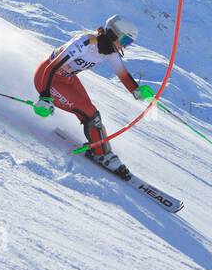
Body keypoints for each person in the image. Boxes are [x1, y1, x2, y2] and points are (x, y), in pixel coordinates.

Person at [32, 14, 154, 179]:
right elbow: (53, 66)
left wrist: (137, 91)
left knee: (92, 114)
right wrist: (45, 96)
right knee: (91, 115)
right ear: (114, 33)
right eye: (125, 41)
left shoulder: (110, 52)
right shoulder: (86, 42)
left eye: (128, 43)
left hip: (67, 79)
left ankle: (99, 147)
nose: (124, 46)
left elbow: (124, 75)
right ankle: (102, 154)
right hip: (48, 78)